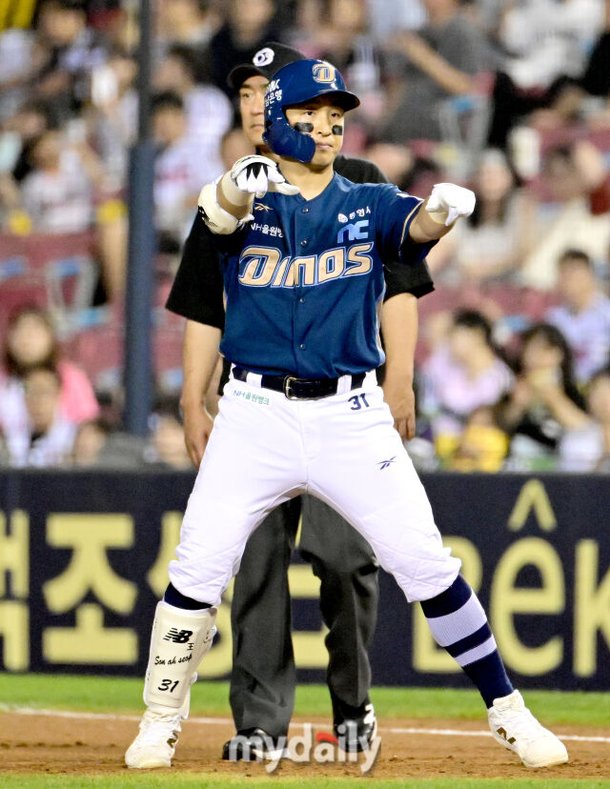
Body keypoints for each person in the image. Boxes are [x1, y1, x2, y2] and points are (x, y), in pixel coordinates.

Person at [125, 57, 568, 772]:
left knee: (425, 561)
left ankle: (510, 712)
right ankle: (160, 720)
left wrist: (439, 212)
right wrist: (236, 188)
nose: (329, 124)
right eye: (312, 112)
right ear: (278, 120)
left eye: (337, 113)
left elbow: (411, 229)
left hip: (350, 412)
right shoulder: (248, 194)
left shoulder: (363, 196)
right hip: (255, 409)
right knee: (198, 567)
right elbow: (218, 216)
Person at [165, 41, 436, 759]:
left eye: (265, 88)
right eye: (246, 93)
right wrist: (194, 398)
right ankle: (259, 723)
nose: (255, 102)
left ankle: (352, 703)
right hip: (254, 407)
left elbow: (403, 285)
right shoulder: (230, 194)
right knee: (254, 561)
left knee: (348, 560)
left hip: (343, 405)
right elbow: (203, 306)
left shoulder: (360, 178)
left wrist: (399, 376)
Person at [545, 249, 610, 387]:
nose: (569, 280)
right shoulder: (553, 319)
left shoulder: (606, 313)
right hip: (567, 388)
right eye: (564, 273)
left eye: (574, 272)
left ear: (590, 274)